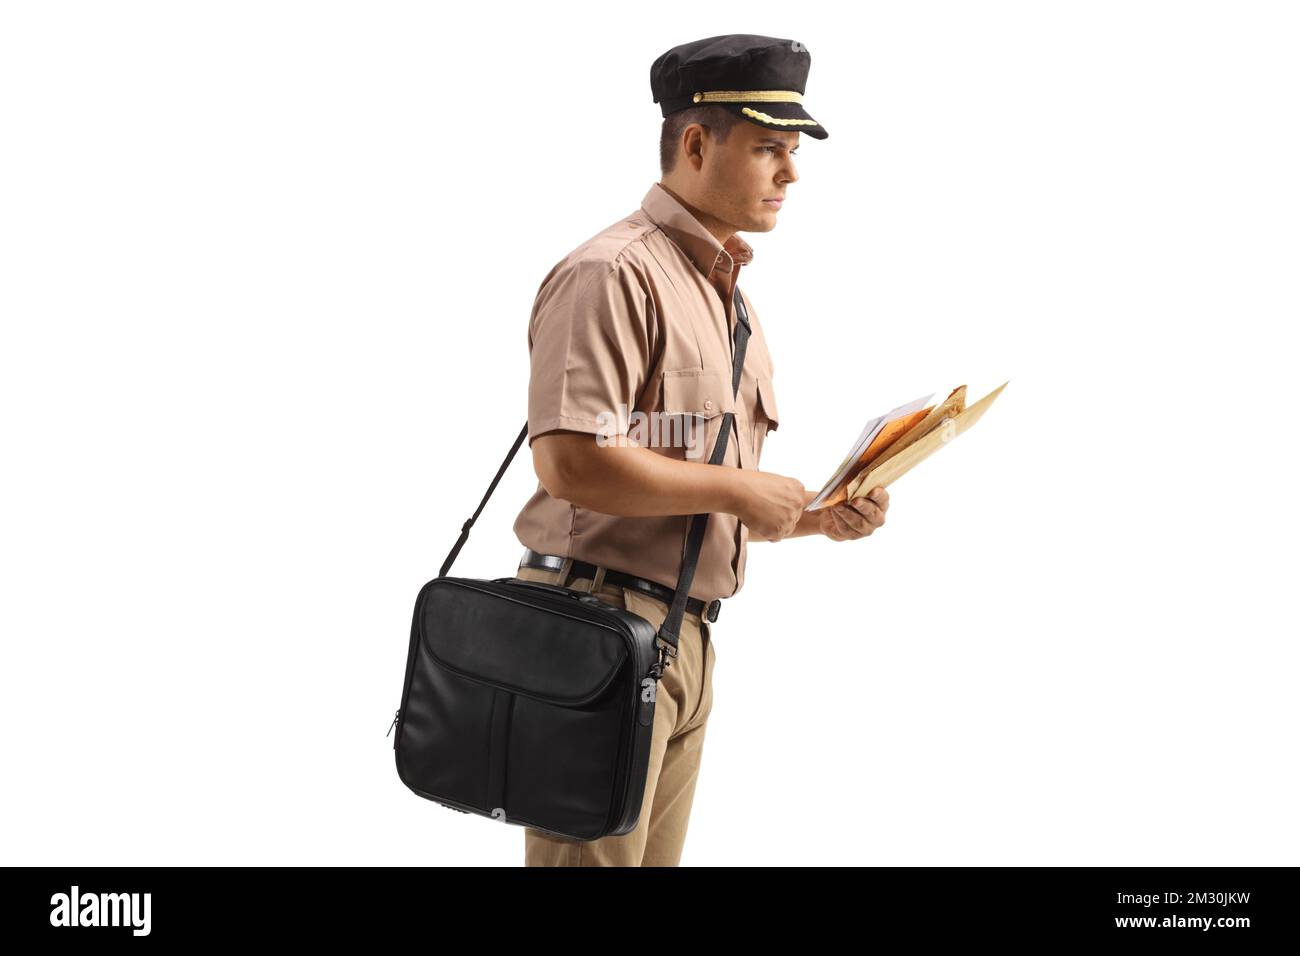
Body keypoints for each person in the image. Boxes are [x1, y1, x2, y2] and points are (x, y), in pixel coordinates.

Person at [511, 34, 891, 867]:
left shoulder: (730, 307)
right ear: (694, 144)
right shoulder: (613, 274)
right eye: (769, 149)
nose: (791, 173)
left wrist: (813, 520)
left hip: (682, 643)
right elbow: (570, 463)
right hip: (596, 635)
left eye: (792, 152)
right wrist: (738, 489)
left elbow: (692, 490)